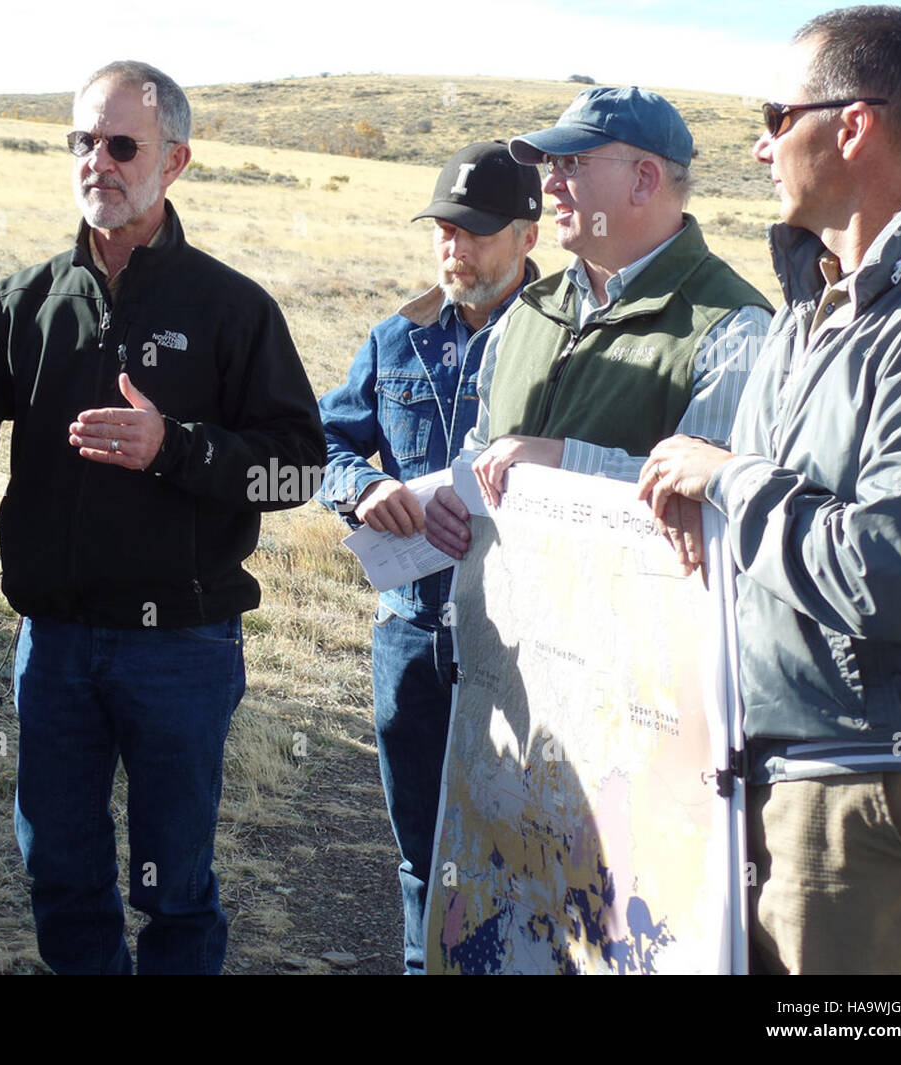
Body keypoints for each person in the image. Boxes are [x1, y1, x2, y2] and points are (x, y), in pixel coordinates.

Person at [0, 60, 325, 974]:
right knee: (59, 869)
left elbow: (294, 473)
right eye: (82, 141)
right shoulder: (23, 299)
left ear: (175, 162)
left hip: (182, 649)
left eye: (123, 144)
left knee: (174, 886)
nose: (99, 161)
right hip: (54, 645)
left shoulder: (232, 308)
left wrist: (177, 446)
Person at [639, 5, 901, 974]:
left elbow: (883, 580)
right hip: (772, 770)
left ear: (850, 125)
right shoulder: (814, 303)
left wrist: (729, 480)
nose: (760, 144)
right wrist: (710, 479)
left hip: (868, 788)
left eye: (777, 116)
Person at [316, 141, 542, 974]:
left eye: (476, 231)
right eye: (443, 228)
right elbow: (321, 441)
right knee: (422, 849)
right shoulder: (396, 338)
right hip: (409, 637)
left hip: (526, 647)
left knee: (525, 850)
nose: (455, 247)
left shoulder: (565, 338)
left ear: (527, 233)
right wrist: (360, 488)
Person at [425, 87, 772, 562]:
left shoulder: (733, 327)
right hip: (510, 629)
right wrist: (455, 496)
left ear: (644, 180)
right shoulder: (528, 313)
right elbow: (480, 453)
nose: (550, 186)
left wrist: (562, 459)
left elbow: (716, 502)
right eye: (552, 166)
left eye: (572, 165)